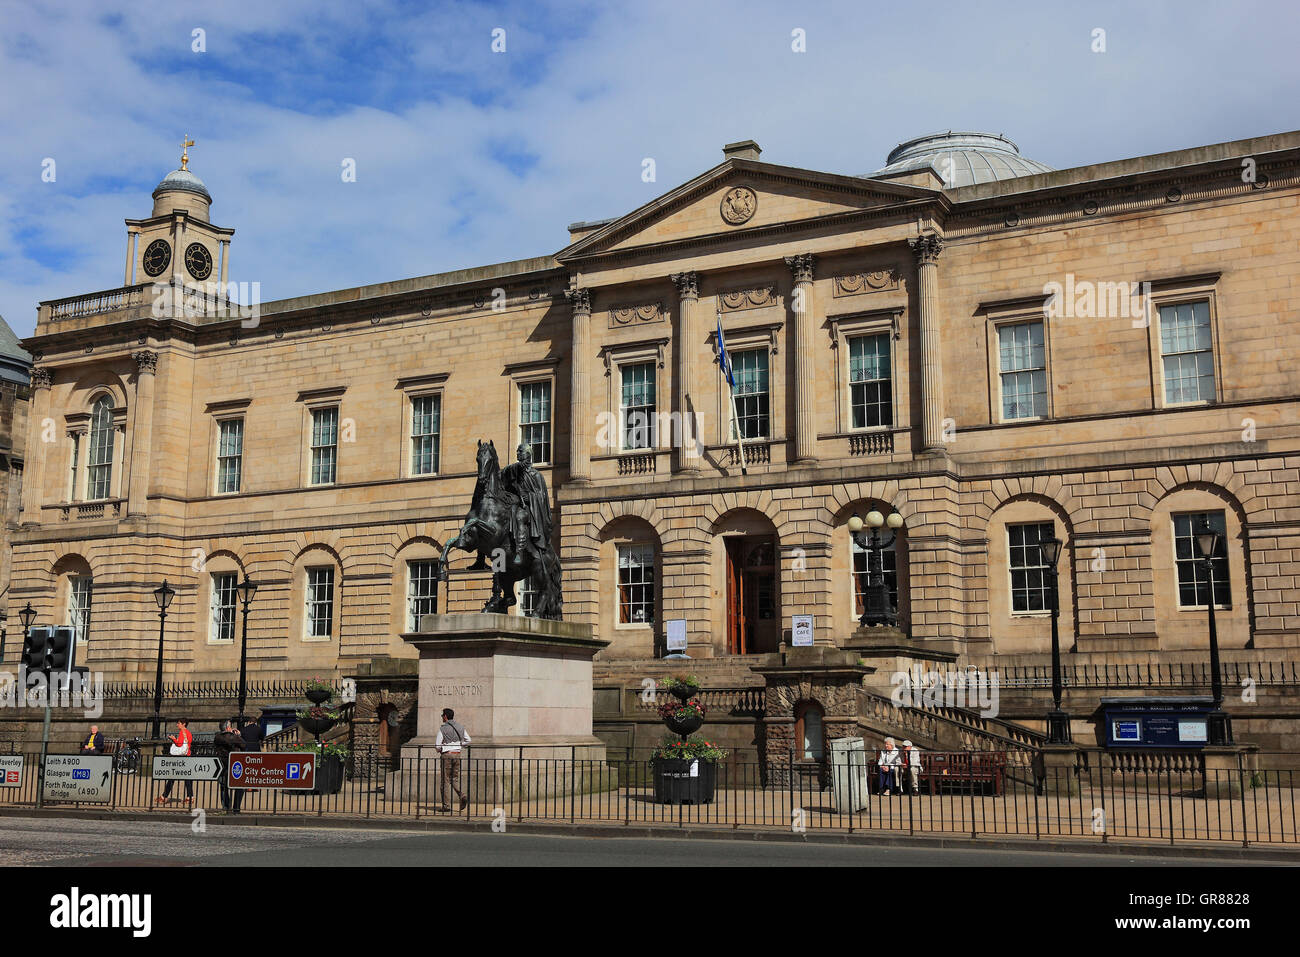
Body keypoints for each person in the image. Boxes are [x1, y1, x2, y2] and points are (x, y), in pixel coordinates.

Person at [435, 707, 470, 811]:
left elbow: (437, 745)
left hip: (447, 755)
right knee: (454, 779)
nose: (442, 717)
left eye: (442, 715)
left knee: (445, 781)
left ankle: (446, 806)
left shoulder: (443, 728)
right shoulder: (460, 727)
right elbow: (468, 739)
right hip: (457, 754)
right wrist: (459, 745)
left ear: (445, 716)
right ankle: (462, 795)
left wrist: (441, 749)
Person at [156, 719, 194, 806]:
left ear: (184, 724)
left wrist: (174, 739)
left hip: (181, 758)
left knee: (172, 776)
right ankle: (189, 797)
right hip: (187, 756)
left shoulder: (182, 732)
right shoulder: (188, 733)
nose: (177, 725)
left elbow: (180, 744)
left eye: (179, 723)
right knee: (187, 777)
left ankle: (164, 797)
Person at [213, 719, 245, 814]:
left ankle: (226, 807)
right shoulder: (232, 737)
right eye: (230, 726)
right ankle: (236, 808)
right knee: (239, 786)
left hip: (222, 764)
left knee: (224, 786)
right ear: (227, 727)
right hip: (233, 764)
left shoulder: (217, 737)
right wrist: (237, 735)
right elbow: (244, 745)